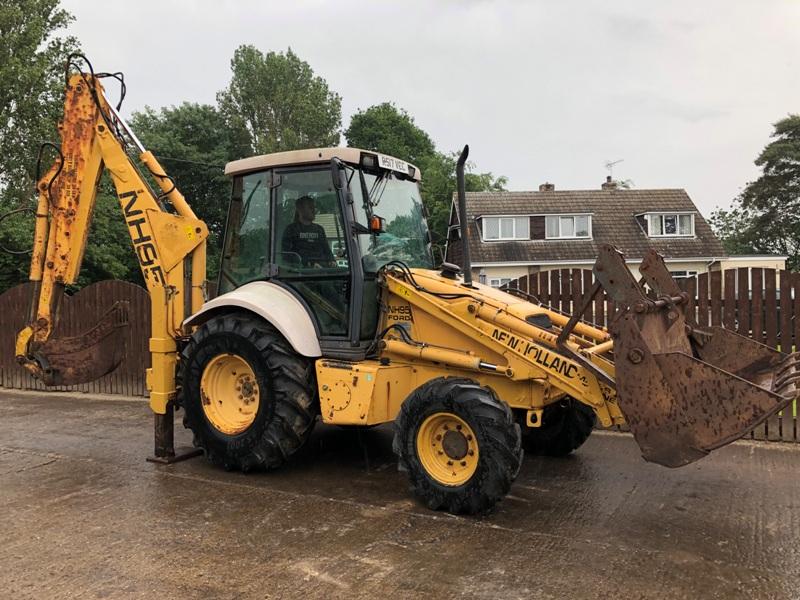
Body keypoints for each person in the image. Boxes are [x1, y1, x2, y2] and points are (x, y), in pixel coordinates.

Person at [281, 195, 335, 267]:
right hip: (300, 274)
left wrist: (332, 261)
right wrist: (308, 264)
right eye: (310, 207)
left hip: (322, 271)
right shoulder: (291, 230)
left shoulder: (319, 229)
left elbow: (327, 251)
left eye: (313, 207)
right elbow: (286, 256)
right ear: (300, 210)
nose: (313, 210)